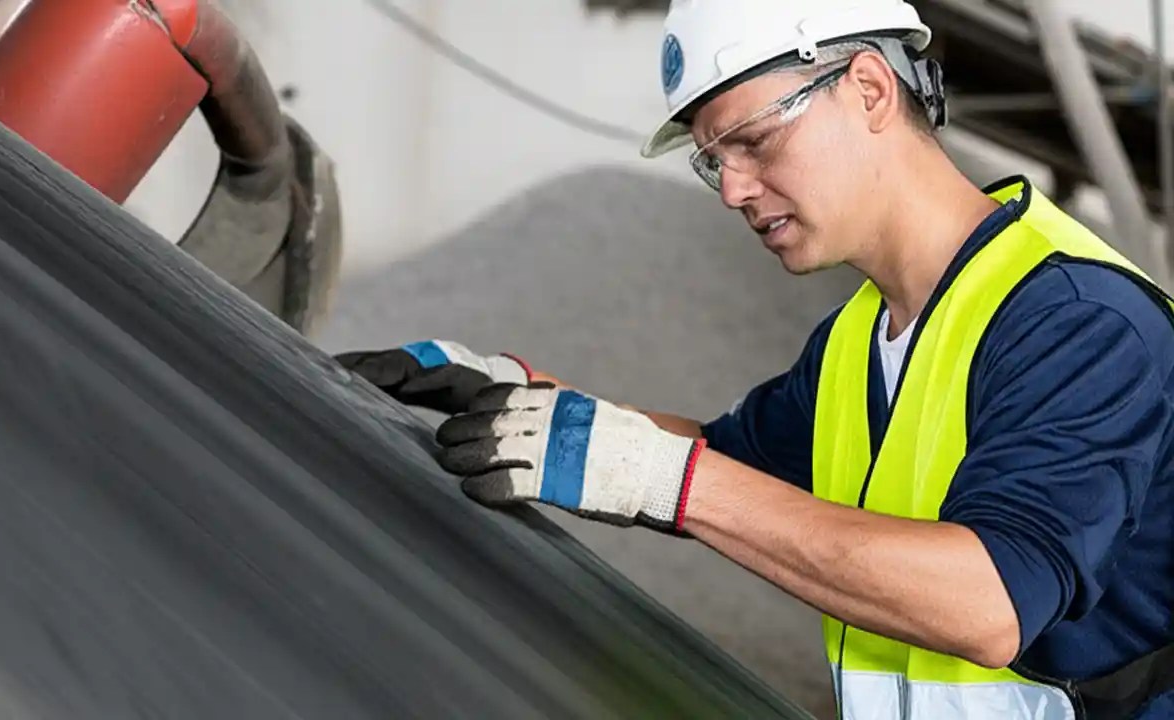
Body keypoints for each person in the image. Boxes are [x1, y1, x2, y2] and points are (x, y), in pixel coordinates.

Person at [335, 1, 1174, 717]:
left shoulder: (1077, 323)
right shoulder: (859, 342)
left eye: (752, 141)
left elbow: (990, 600)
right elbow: (721, 465)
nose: (734, 188)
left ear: (871, 90)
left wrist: (663, 478)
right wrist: (523, 395)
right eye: (714, 162)